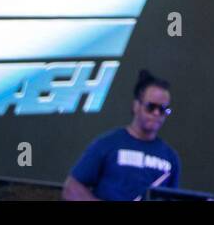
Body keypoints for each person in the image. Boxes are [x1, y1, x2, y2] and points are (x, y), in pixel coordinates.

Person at [62, 70, 181, 201]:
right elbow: (71, 188)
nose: (157, 113)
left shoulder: (171, 158)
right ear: (136, 105)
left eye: (163, 109)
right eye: (151, 107)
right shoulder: (108, 144)